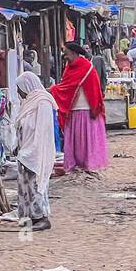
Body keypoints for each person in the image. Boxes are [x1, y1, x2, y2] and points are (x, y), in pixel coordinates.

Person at [49, 41, 109, 173]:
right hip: (73, 108)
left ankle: (88, 163)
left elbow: (94, 88)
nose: (65, 56)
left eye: (67, 54)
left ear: (74, 53)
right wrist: (55, 90)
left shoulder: (86, 67)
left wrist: (53, 89)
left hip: (86, 108)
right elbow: (66, 85)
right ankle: (75, 163)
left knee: (85, 139)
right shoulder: (68, 68)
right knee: (75, 139)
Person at [12, 72, 57, 231]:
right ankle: (30, 216)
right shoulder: (28, 103)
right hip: (25, 151)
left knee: (36, 185)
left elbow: (41, 131)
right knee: (26, 186)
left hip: (36, 151)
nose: (18, 92)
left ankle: (42, 217)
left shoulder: (42, 103)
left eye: (19, 89)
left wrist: (32, 152)